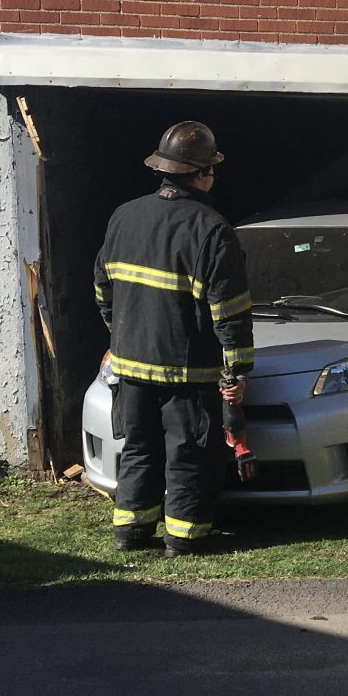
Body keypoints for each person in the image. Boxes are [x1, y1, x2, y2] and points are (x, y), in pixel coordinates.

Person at [94, 121, 254, 558]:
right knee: (188, 453)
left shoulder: (123, 216)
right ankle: (183, 538)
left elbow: (102, 289)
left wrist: (122, 336)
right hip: (187, 370)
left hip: (130, 365)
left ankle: (130, 530)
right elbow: (230, 309)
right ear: (203, 174)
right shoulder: (210, 228)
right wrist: (238, 369)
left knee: (139, 449)